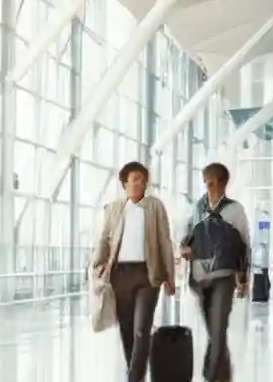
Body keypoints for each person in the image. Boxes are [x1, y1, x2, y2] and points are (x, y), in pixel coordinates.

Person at [91, 161, 177, 382]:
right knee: (127, 329)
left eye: (142, 179)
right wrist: (98, 266)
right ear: (124, 183)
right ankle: (134, 371)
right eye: (134, 179)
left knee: (142, 329)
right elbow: (104, 239)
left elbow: (164, 242)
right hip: (120, 276)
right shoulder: (114, 209)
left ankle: (134, 378)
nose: (139, 183)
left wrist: (169, 276)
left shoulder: (155, 207)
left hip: (148, 275)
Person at [180, 162, 250, 382]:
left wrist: (243, 277)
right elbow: (187, 236)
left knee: (219, 330)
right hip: (199, 277)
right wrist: (184, 249)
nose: (207, 186)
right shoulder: (196, 208)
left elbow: (244, 244)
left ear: (223, 182)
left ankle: (211, 376)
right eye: (205, 182)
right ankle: (222, 374)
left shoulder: (235, 209)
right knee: (213, 331)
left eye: (211, 182)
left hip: (224, 278)